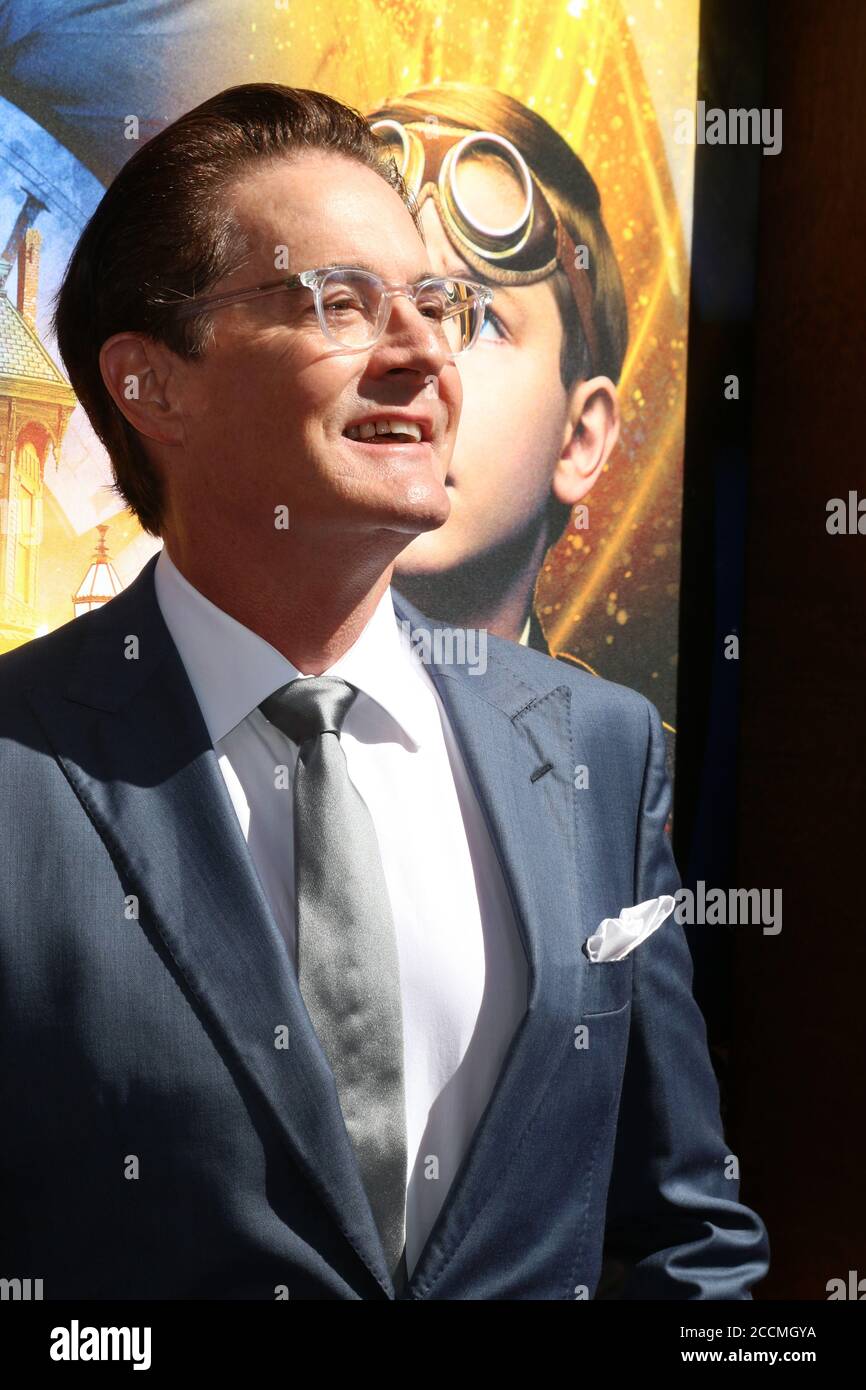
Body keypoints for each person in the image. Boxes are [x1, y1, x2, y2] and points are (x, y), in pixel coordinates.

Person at [0, 82, 769, 1300]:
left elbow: (683, 1234)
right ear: (154, 387)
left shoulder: (598, 750)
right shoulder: (18, 763)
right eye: (339, 303)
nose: (420, 354)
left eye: (441, 305)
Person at [367, 85, 677, 785]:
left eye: (476, 315)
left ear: (580, 441)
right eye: (355, 302)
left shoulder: (639, 791)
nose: (405, 355)